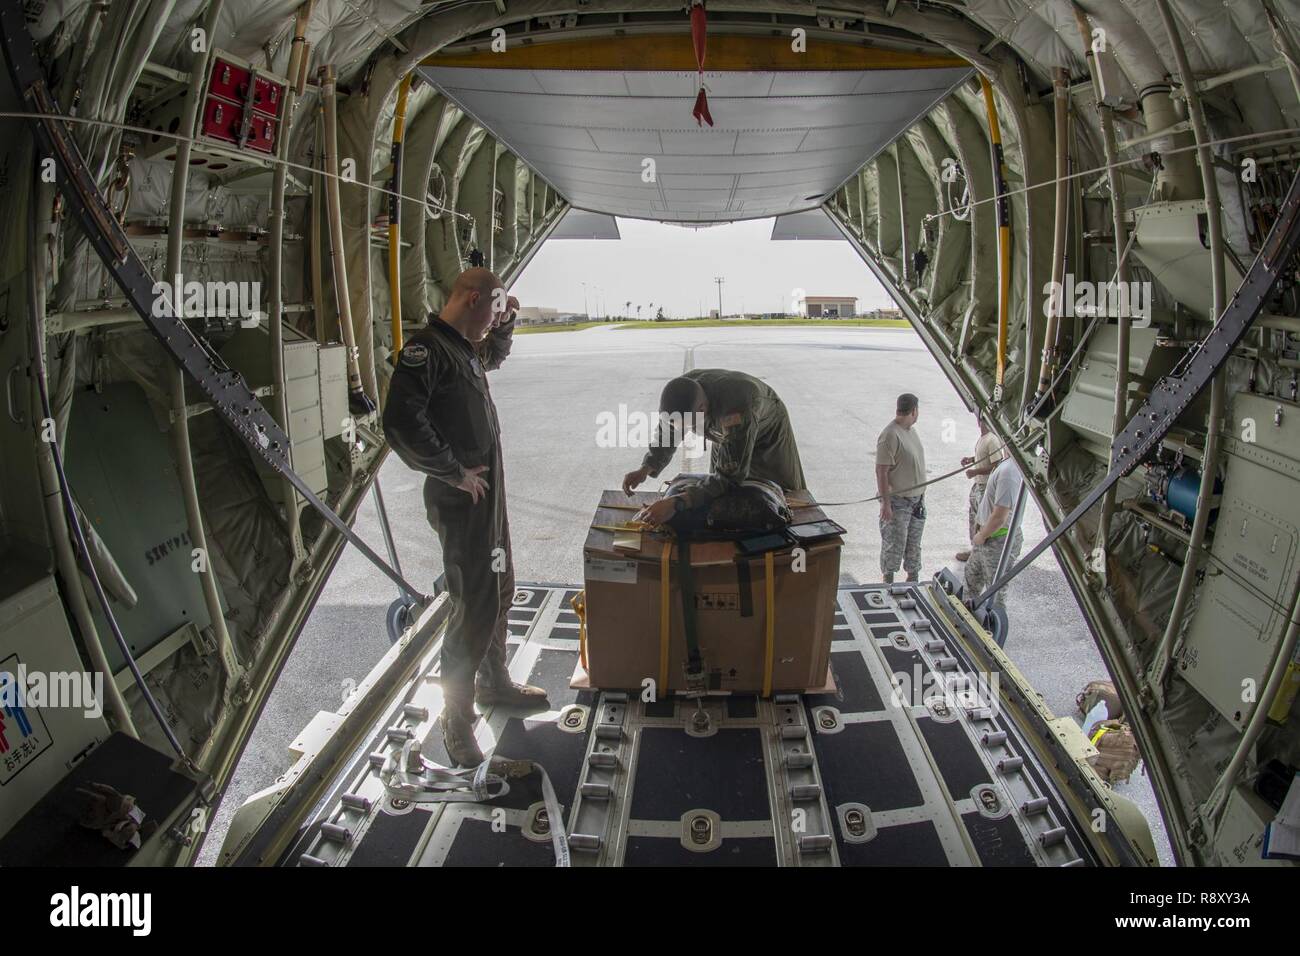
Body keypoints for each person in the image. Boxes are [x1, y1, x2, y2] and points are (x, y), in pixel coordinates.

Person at [383, 267, 547, 767]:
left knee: (499, 590)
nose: (492, 321)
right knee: (472, 605)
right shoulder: (427, 349)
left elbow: (491, 356)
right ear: (471, 298)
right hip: (463, 499)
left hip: (486, 495)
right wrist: (452, 471)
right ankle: (457, 726)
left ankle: (494, 683)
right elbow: (401, 421)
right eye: (491, 310)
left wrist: (506, 322)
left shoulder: (462, 347)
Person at [622, 369, 807, 524]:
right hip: (725, 437)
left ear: (702, 410)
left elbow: (728, 477)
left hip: (768, 439)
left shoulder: (737, 408)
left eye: (687, 424)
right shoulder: (683, 393)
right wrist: (646, 468)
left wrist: (676, 503)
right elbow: (669, 431)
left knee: (782, 503)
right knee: (720, 503)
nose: (683, 429)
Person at [964, 455, 1026, 611]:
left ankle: (990, 632)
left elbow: (1000, 516)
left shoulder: (1009, 472)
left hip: (997, 540)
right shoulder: (1006, 463)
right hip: (987, 537)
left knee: (995, 596)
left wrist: (982, 535)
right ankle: (965, 622)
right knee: (971, 580)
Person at [876, 393, 926, 583]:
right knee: (893, 546)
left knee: (913, 547)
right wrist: (885, 504)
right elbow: (881, 471)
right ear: (914, 411)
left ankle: (912, 581)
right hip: (898, 503)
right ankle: (887, 584)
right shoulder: (890, 435)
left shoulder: (910, 430)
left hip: (916, 501)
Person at [956, 412, 1005, 562]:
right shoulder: (983, 438)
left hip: (985, 487)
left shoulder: (992, 440)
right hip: (978, 485)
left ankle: (981, 553)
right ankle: (975, 551)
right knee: (974, 518)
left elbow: (997, 466)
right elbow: (985, 458)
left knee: (983, 521)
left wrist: (975, 471)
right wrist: (972, 459)